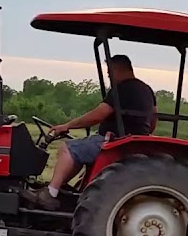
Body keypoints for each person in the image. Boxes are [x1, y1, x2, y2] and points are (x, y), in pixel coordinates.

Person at [22, 54, 157, 210]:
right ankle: (62, 189)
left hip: (115, 141)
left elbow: (98, 115)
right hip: (132, 141)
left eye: (109, 73)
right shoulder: (147, 90)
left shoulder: (121, 89)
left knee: (68, 148)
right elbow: (153, 120)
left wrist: (67, 125)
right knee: (80, 149)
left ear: (117, 69)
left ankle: (50, 193)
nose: (109, 76)